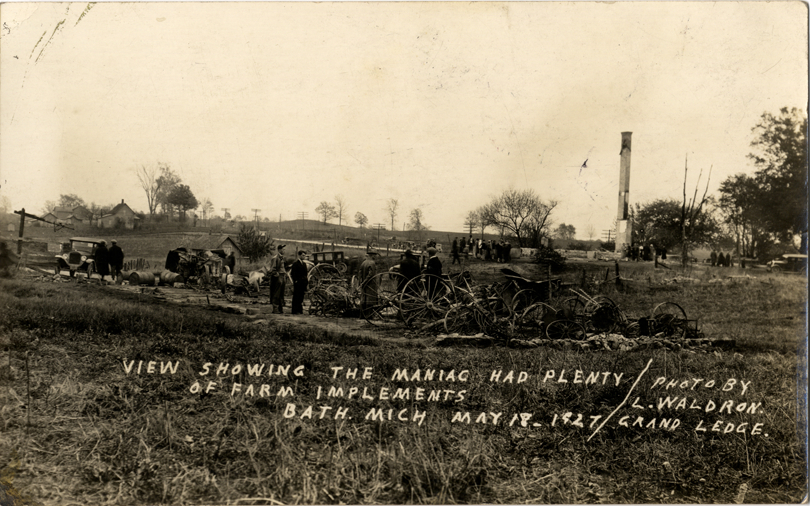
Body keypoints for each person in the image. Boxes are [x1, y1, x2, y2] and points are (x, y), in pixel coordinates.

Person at [269, 244, 287, 314]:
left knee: (281, 294)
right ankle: (275, 309)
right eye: (283, 249)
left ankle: (280, 308)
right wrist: (277, 275)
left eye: (284, 249)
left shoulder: (282, 258)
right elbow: (273, 269)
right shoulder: (275, 258)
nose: (284, 250)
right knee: (276, 293)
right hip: (278, 277)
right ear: (279, 250)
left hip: (283, 276)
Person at [290, 250, 309, 314]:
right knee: (296, 296)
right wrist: (296, 281)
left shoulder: (304, 264)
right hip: (298, 283)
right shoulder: (295, 264)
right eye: (303, 255)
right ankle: (295, 310)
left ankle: (300, 310)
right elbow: (293, 274)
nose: (304, 257)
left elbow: (305, 274)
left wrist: (306, 282)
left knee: (301, 297)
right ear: (299, 255)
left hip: (303, 283)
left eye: (305, 255)